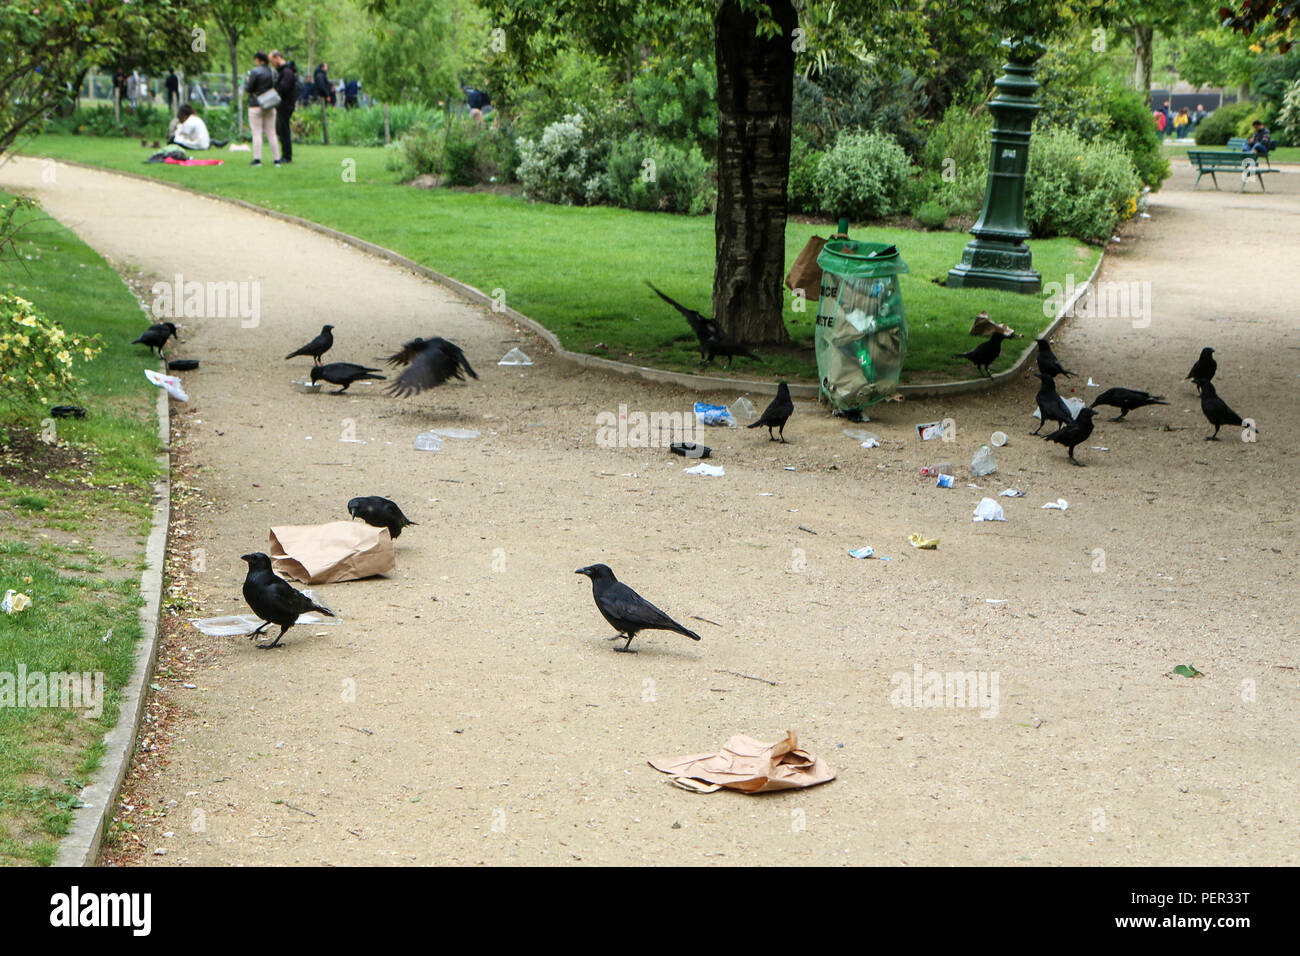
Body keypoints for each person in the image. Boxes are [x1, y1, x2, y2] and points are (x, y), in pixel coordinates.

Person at [245, 51, 282, 167]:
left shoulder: (255, 72)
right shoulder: (273, 72)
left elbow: (249, 88)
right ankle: (277, 160)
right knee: (272, 133)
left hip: (256, 104)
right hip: (270, 104)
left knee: (257, 132)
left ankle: (257, 159)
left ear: (257, 60)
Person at [270, 51, 298, 164]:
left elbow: (283, 88)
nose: (272, 64)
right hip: (285, 104)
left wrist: (274, 90)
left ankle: (287, 156)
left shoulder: (286, 72)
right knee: (282, 130)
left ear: (278, 58)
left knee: (284, 130)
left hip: (285, 105)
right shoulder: (287, 71)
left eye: (272, 61)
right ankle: (285, 154)